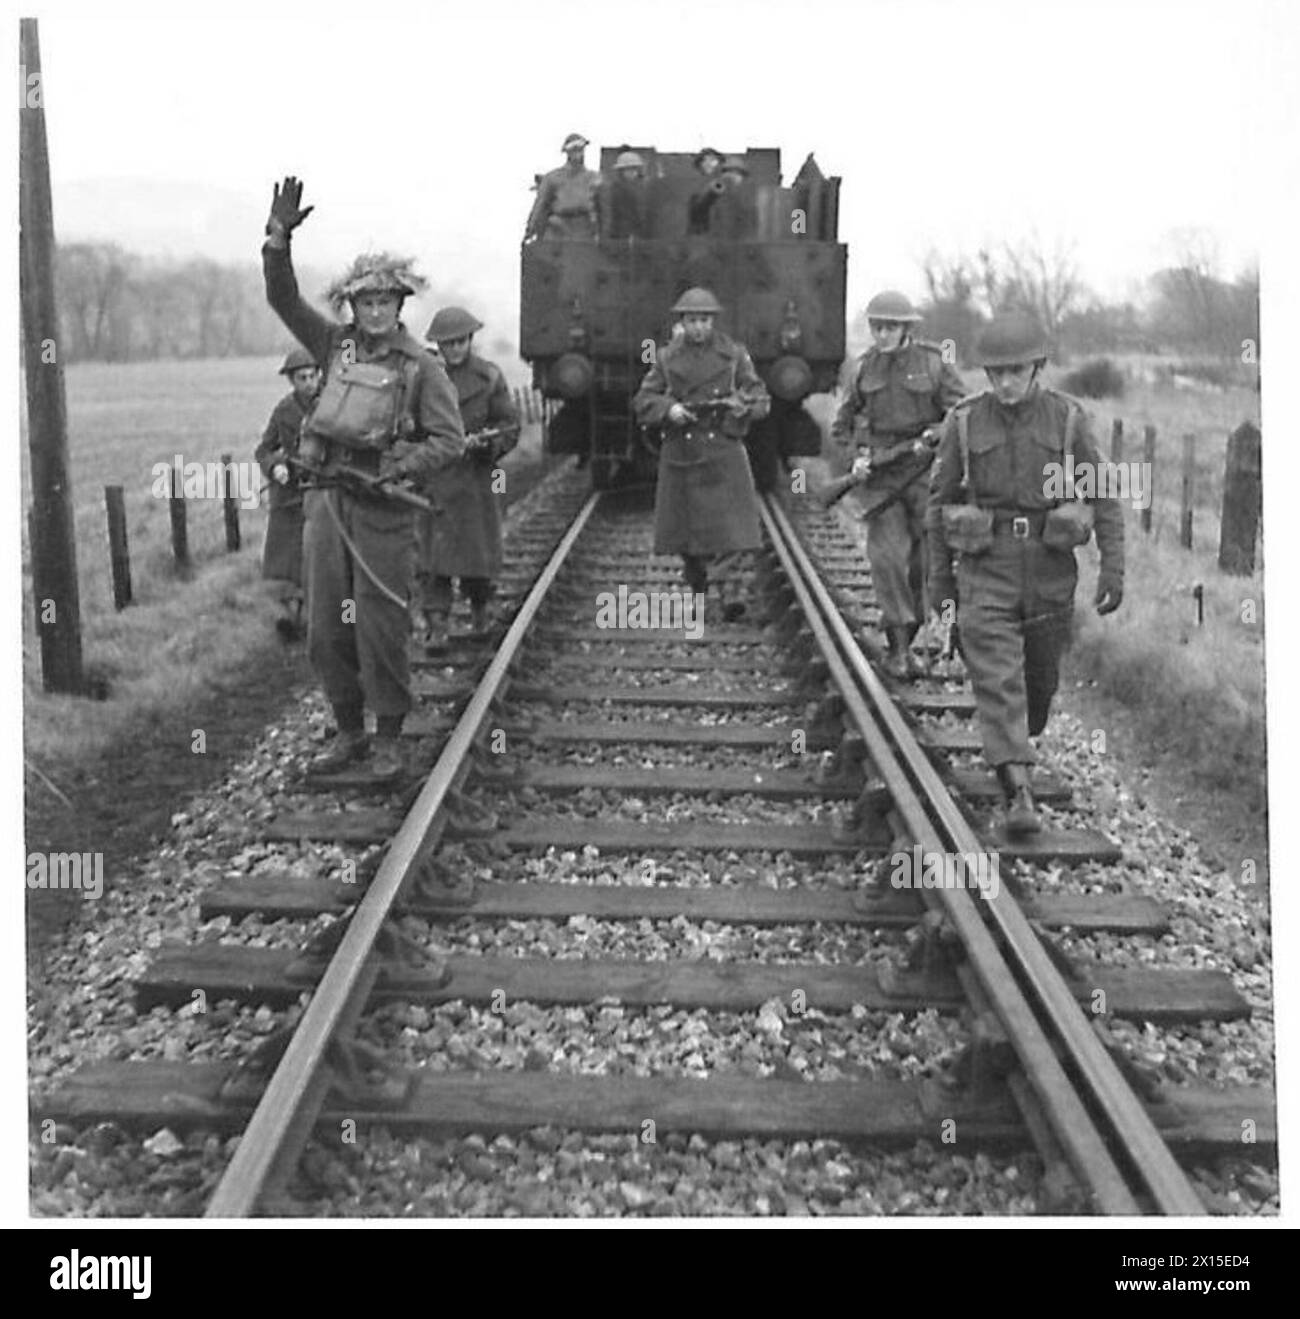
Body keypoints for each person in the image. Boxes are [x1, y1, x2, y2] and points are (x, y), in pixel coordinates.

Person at [261, 176, 465, 780]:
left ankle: (389, 738)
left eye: (386, 301)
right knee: (327, 627)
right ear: (351, 306)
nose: (375, 311)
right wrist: (277, 241)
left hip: (384, 509)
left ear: (401, 305)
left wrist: (399, 467)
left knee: (381, 624)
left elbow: (449, 441)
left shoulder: (422, 367)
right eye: (365, 302)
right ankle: (348, 730)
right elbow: (283, 299)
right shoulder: (332, 347)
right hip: (326, 504)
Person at [926, 313, 1124, 835]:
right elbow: (937, 504)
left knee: (1038, 683)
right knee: (996, 677)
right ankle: (1018, 788)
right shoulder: (965, 423)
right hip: (985, 566)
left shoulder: (1067, 421)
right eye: (996, 373)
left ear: (1037, 368)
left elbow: (1103, 494)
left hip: (1048, 570)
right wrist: (940, 588)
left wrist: (1113, 568)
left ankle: (1022, 736)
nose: (1006, 382)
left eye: (1016, 371)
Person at [830, 290, 966, 678]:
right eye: (877, 327)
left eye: (890, 327)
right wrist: (855, 458)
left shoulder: (934, 364)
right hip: (883, 480)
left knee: (926, 565)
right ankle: (899, 648)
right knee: (886, 559)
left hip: (926, 476)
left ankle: (911, 629)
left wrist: (935, 436)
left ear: (906, 328)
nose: (883, 334)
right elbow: (841, 426)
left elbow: (962, 414)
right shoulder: (862, 369)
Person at [632, 287, 770, 621]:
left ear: (713, 321)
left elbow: (760, 398)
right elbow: (643, 401)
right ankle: (698, 583)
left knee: (734, 527)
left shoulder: (735, 356)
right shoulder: (665, 358)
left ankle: (728, 588)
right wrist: (669, 409)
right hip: (683, 449)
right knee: (686, 533)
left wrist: (741, 406)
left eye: (704, 320)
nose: (698, 327)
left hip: (724, 446)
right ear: (682, 322)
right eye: (692, 320)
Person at [416, 306, 521, 649]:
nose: (456, 349)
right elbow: (408, 427)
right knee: (434, 559)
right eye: (448, 343)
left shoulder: (489, 377)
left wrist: (487, 445)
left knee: (479, 555)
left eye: (461, 341)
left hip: (478, 479)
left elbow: (510, 425)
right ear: (438, 345)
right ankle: (437, 625)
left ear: (471, 341)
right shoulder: (422, 379)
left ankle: (480, 611)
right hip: (436, 480)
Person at [254, 346, 320, 640]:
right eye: (301, 378)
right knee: (288, 557)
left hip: (325, 488)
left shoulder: (332, 405)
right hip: (292, 493)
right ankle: (291, 615)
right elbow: (264, 450)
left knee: (326, 555)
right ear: (291, 381)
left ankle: (342, 616)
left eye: (311, 376)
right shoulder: (284, 411)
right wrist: (275, 467)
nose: (308, 382)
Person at [524, 133, 600, 241]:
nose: (578, 153)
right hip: (557, 229)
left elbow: (603, 207)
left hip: (585, 229)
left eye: (580, 149)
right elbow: (540, 205)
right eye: (574, 150)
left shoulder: (594, 178)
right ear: (567, 152)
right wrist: (530, 230)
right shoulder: (553, 177)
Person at [601, 149, 648, 239]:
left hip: (642, 235)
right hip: (620, 235)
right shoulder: (614, 190)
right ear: (621, 171)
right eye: (627, 169)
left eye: (634, 168)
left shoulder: (645, 188)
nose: (631, 172)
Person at [687, 146, 725, 236]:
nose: (711, 164)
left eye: (714, 160)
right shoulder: (694, 182)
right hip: (699, 233)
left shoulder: (723, 181)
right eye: (707, 160)